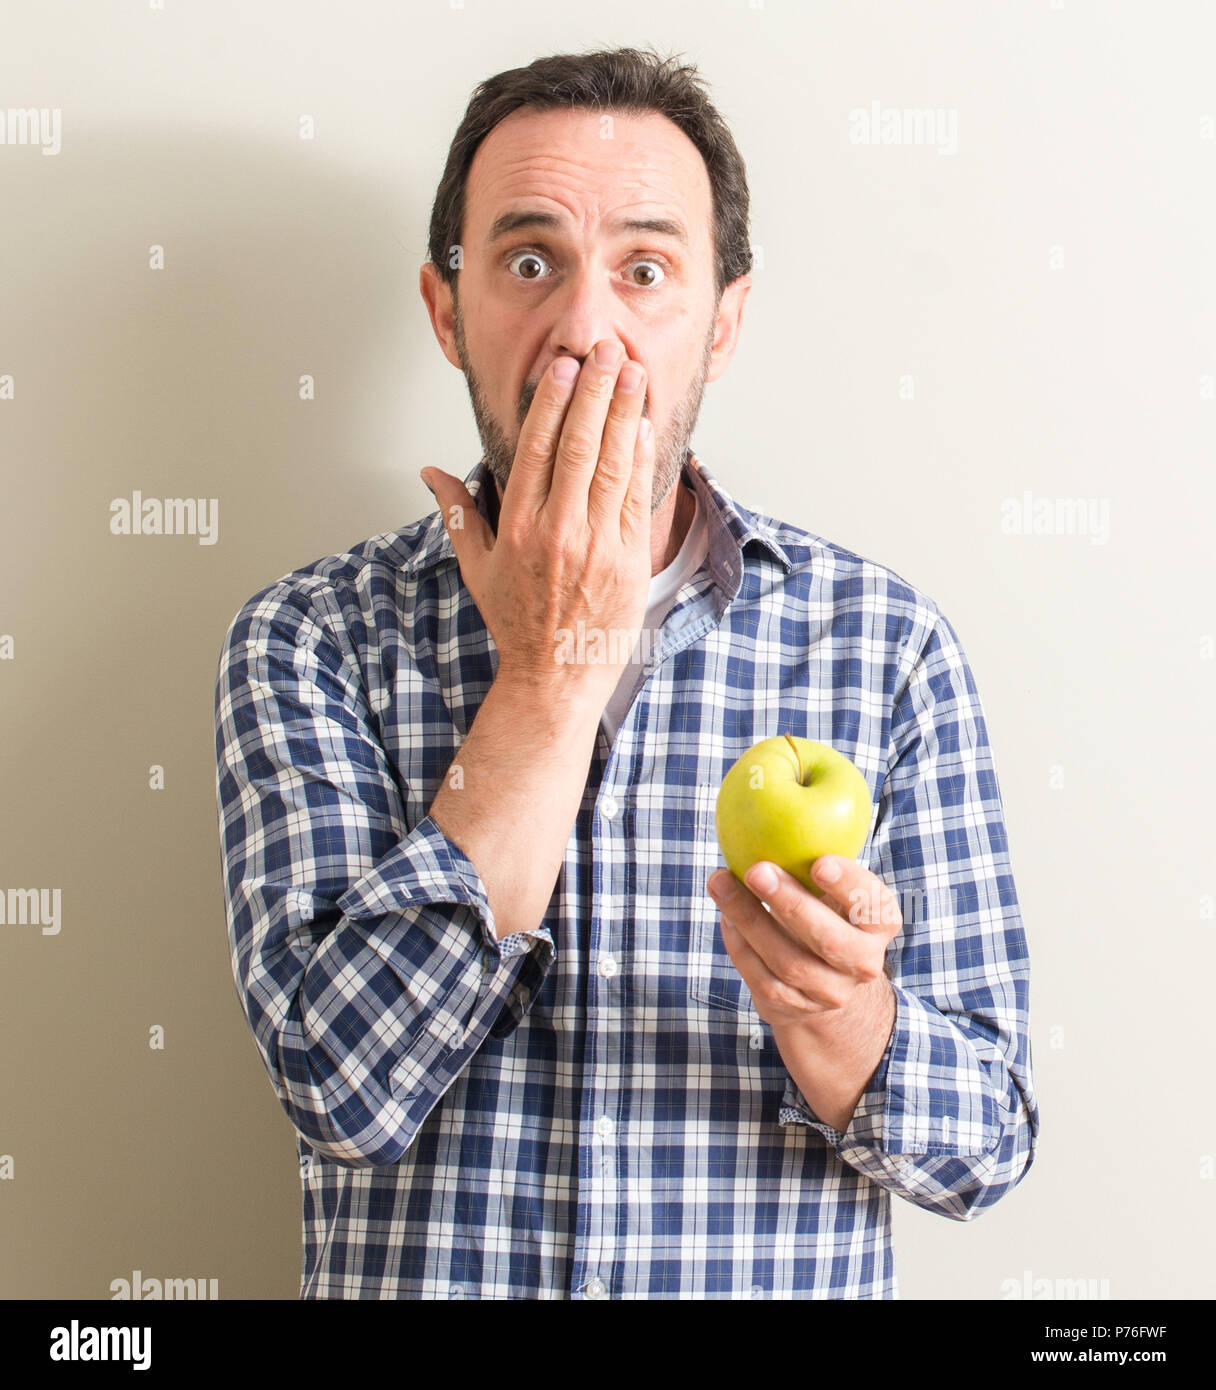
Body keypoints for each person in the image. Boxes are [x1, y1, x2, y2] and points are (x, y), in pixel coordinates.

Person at [214, 45, 1038, 1300]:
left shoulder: (884, 646)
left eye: (644, 269)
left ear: (722, 318)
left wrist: (843, 1022)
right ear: (447, 310)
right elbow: (344, 1088)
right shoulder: (308, 640)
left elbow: (984, 1145)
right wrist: (549, 678)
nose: (585, 329)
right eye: (530, 262)